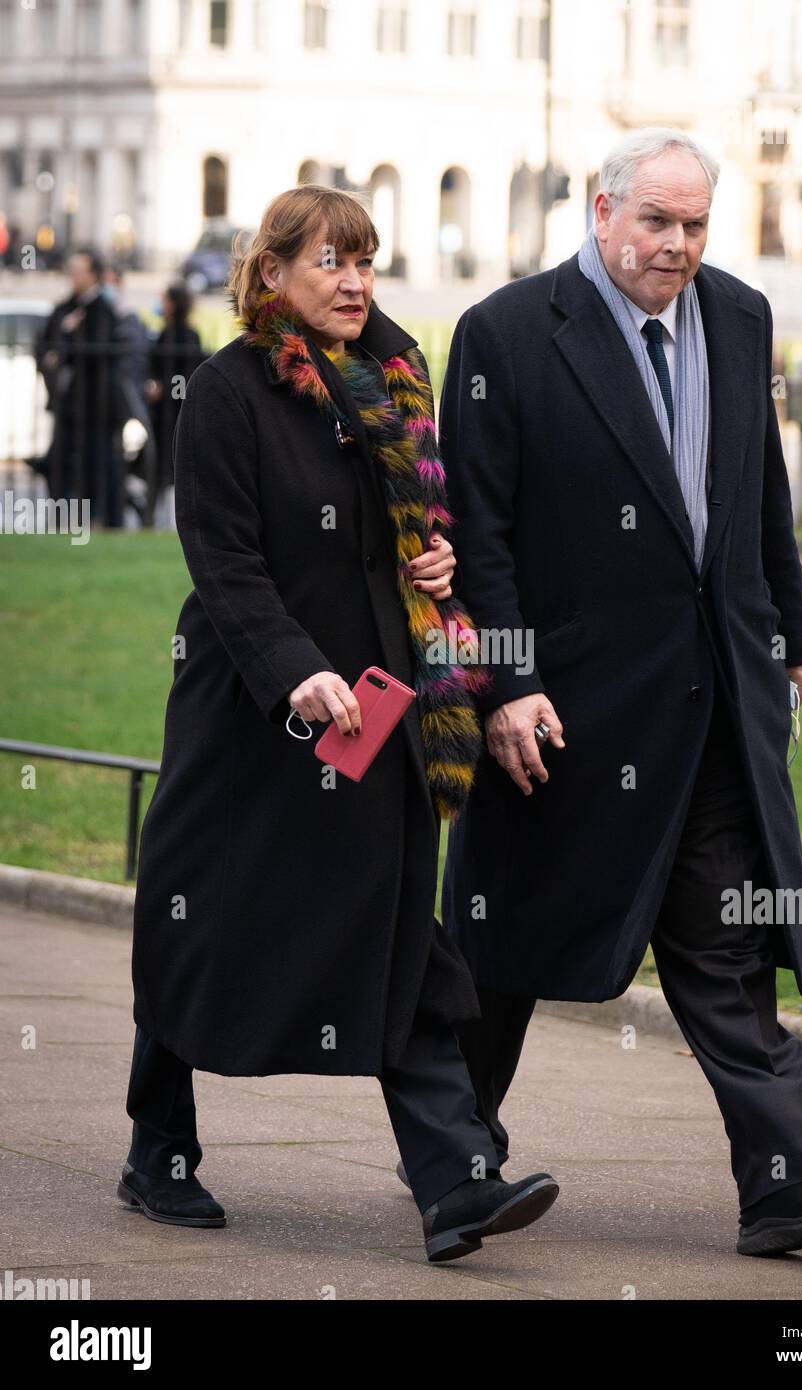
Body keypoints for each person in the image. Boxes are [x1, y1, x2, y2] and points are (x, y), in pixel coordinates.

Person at [435, 129, 802, 1257]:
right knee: (505, 950)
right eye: (656, 223)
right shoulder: (505, 334)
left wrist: (790, 626)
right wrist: (504, 684)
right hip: (564, 713)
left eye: (694, 226)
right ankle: (451, 1151)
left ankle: (785, 1184)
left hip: (715, 699)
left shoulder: (738, 315)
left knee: (725, 944)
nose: (676, 247)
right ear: (601, 212)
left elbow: (756, 484)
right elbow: (477, 536)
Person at [119, 185, 558, 1263]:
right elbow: (223, 562)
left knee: (396, 920)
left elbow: (408, 532)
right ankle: (156, 1149)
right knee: (201, 922)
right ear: (271, 273)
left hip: (377, 709)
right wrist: (296, 675)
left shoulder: (393, 381)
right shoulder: (224, 392)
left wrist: (432, 561)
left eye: (365, 259)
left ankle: (455, 1178)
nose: (356, 280)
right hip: (254, 716)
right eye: (330, 260)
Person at [35, 247, 125, 524]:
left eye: (79, 271)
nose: (73, 276)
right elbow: (45, 348)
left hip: (96, 405)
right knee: (58, 461)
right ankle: (62, 519)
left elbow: (96, 353)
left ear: (94, 275)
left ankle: (99, 519)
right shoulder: (64, 308)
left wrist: (66, 346)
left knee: (96, 464)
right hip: (68, 404)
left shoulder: (103, 310)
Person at [140, 283, 206, 526]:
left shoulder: (186, 335)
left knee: (175, 468)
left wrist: (164, 390)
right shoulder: (164, 332)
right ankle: (150, 517)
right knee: (158, 467)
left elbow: (188, 374)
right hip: (162, 414)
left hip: (175, 412)